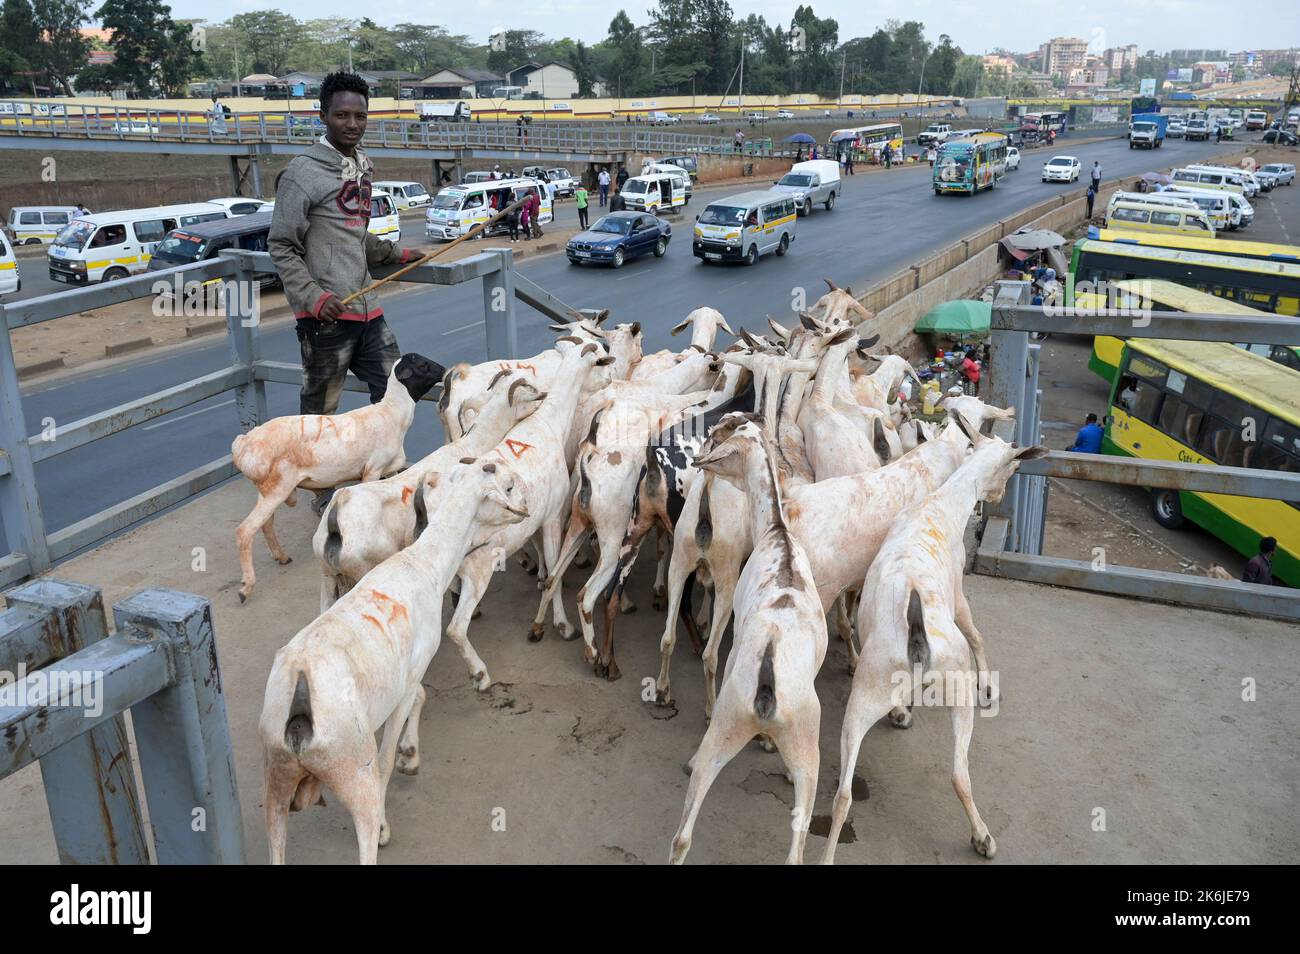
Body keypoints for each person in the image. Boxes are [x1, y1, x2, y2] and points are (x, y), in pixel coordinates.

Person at [268, 70, 438, 514]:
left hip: (367, 309)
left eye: (360, 115)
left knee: (395, 392)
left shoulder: (362, 166)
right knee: (320, 415)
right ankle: (322, 496)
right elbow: (281, 245)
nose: (352, 123)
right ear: (322, 115)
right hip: (326, 317)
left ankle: (383, 471)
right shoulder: (301, 174)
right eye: (342, 114)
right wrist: (314, 298)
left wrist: (396, 254)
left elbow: (351, 236)